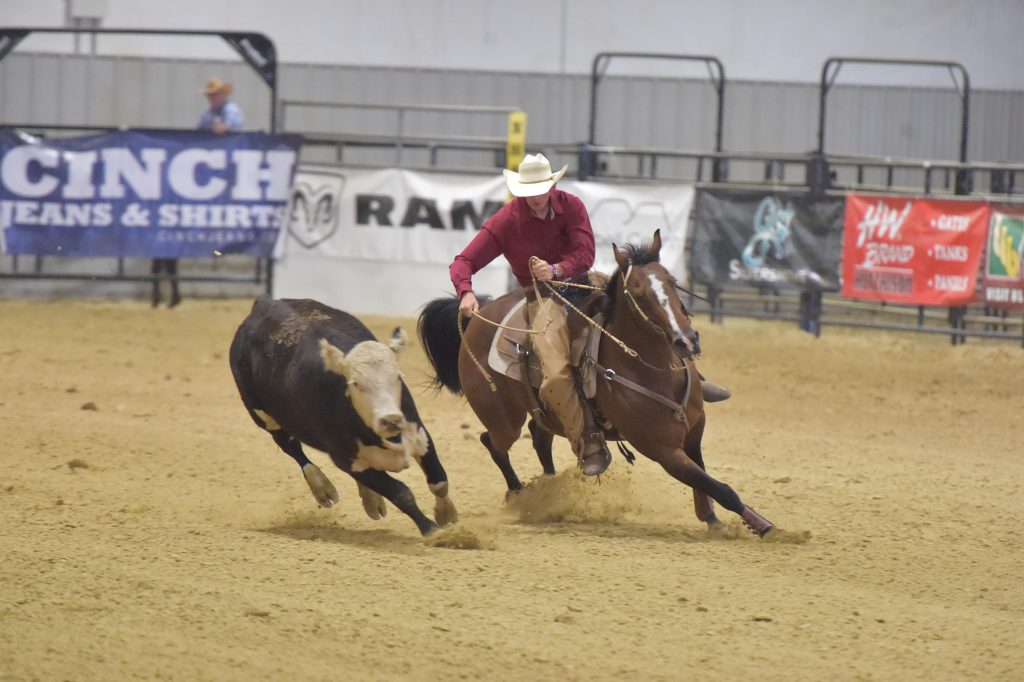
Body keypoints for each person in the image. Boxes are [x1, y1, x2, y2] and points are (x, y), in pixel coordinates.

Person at [450, 153, 613, 476]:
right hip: (543, 299)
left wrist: (557, 268)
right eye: (530, 191)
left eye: (542, 189)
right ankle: (587, 442)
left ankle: (688, 382)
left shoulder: (572, 206)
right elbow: (463, 261)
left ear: (552, 185)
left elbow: (585, 253)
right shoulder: (506, 221)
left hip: (582, 284)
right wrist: (466, 291)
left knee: (642, 311)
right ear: (520, 191)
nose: (536, 197)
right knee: (554, 372)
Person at [151, 77, 245, 308]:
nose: (212, 98)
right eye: (210, 95)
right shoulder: (209, 116)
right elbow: (198, 136)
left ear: (222, 95)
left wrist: (226, 131)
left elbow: (236, 134)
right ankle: (168, 292)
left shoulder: (230, 112)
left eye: (215, 94)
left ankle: (165, 293)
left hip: (215, 176)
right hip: (206, 177)